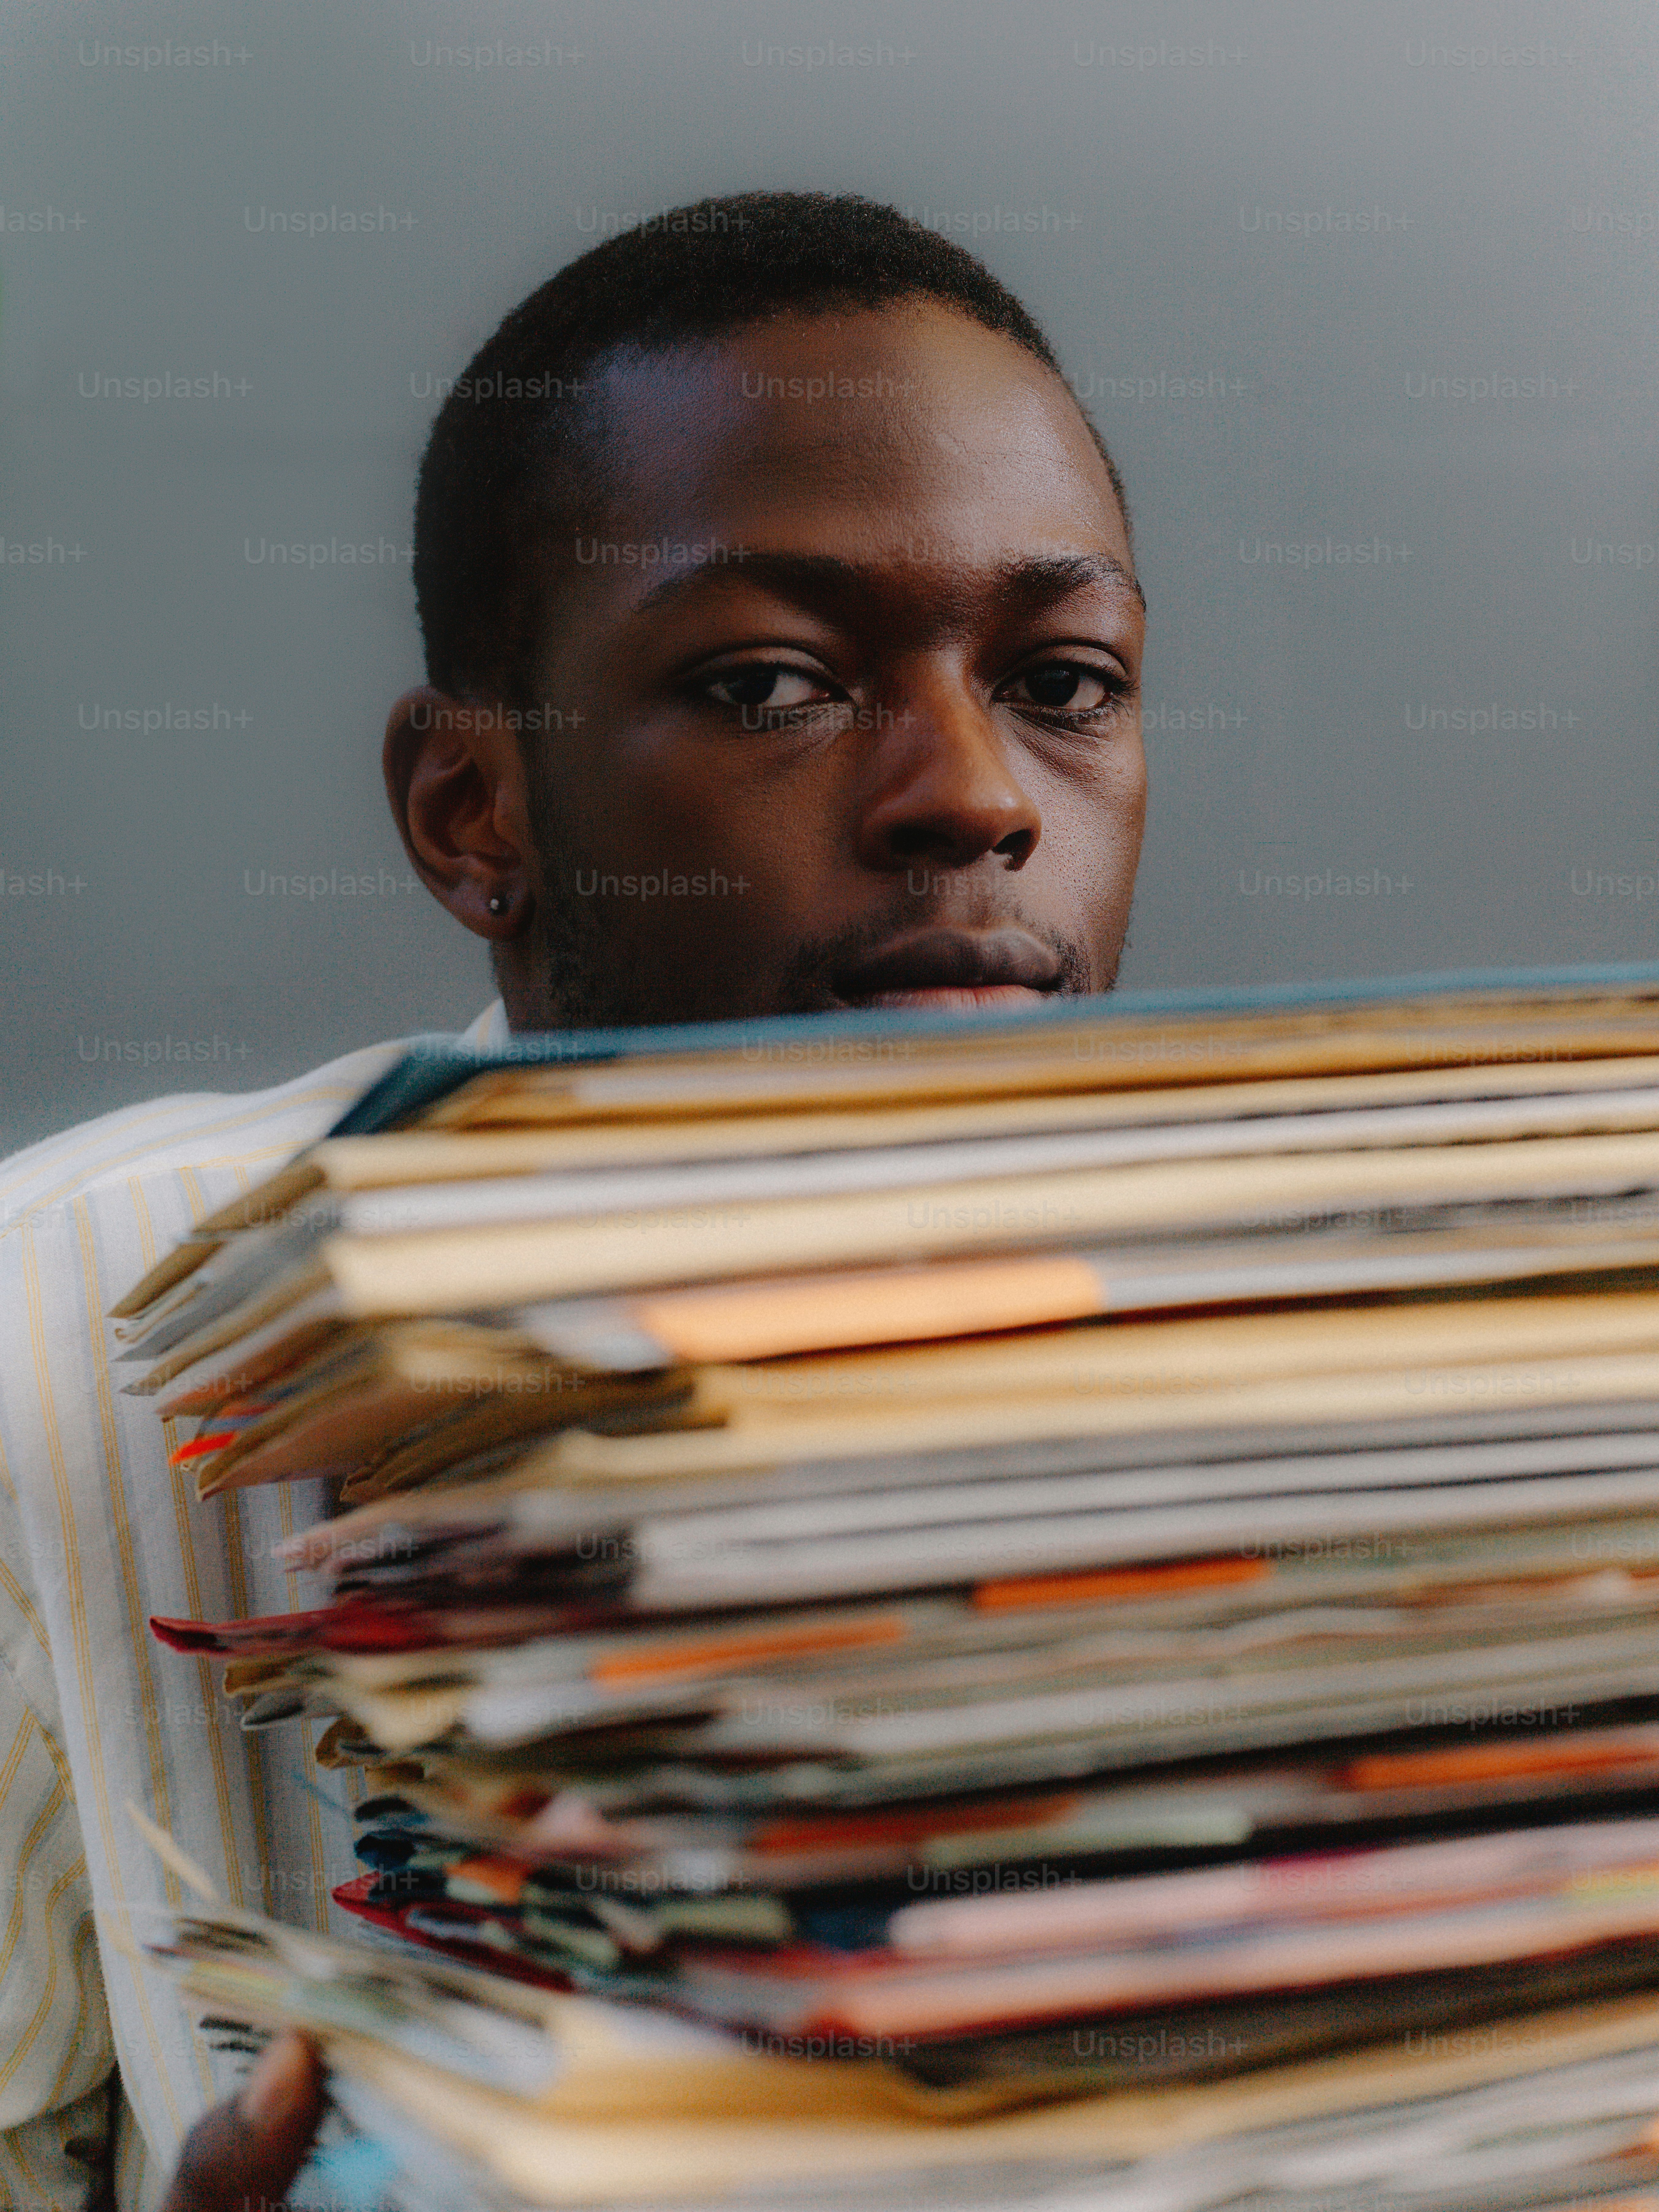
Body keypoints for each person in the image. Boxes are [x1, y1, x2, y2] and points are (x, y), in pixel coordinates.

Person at [0, 190, 1144, 2207]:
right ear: (474, 811)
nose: (977, 794)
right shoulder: (46, 1346)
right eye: (778, 683)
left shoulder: (1479, 1374)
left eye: (1062, 678)